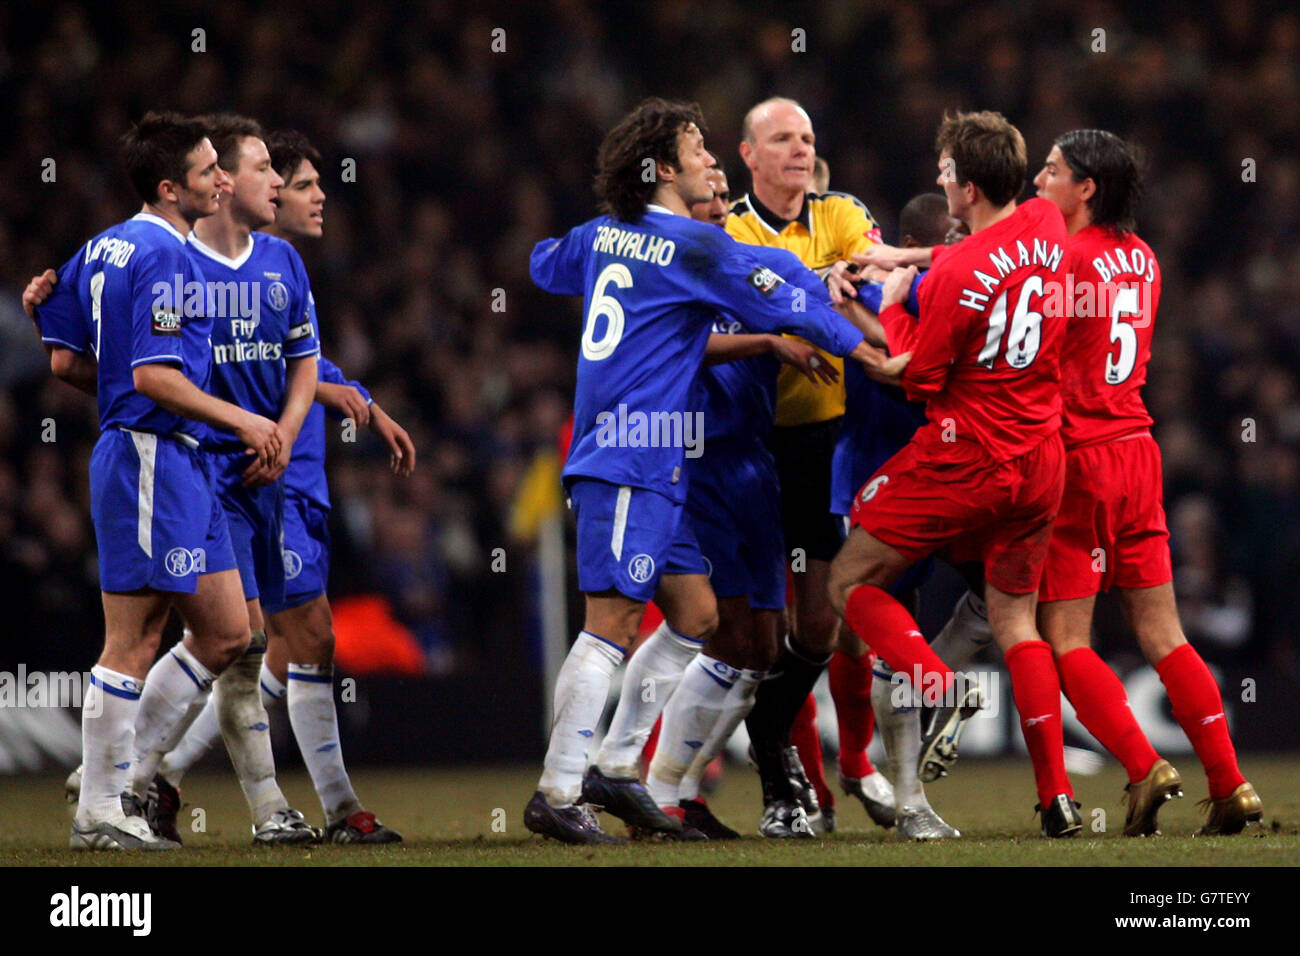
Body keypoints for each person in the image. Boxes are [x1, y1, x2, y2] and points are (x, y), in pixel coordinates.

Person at [525, 97, 906, 845]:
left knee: (698, 618)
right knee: (612, 626)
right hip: (632, 455)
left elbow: (546, 263)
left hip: (654, 457)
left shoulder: (607, 233)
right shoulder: (696, 249)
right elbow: (790, 301)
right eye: (699, 150)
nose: (710, 162)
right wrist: (868, 356)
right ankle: (558, 789)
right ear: (663, 168)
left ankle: (620, 769)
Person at [29, 112, 281, 850]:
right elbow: (148, 375)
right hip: (149, 457)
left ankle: (120, 775)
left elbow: (67, 361)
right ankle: (101, 810)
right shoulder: (167, 255)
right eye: (209, 172)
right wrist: (244, 420)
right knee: (133, 640)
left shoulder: (104, 245)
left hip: (179, 458)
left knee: (230, 631)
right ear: (171, 189)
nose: (224, 179)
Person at [827, 110, 1083, 838]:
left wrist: (886, 314)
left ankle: (938, 684)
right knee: (1015, 620)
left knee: (848, 582)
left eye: (946, 170)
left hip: (967, 456)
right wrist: (903, 261)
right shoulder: (1044, 222)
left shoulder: (959, 276)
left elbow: (917, 375)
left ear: (966, 190)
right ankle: (1058, 798)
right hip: (1041, 460)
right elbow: (991, 260)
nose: (940, 177)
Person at [153, 127, 412, 844]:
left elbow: (300, 356)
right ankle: (334, 808)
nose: (311, 194)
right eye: (296, 182)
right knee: (301, 637)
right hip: (252, 476)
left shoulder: (281, 266)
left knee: (269, 648)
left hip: (294, 474)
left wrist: (357, 397)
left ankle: (162, 775)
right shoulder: (188, 263)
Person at [1031, 129, 1262, 836]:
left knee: (1067, 637)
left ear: (1086, 188)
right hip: (1138, 450)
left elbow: (1032, 356)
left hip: (1079, 458)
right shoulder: (1142, 258)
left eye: (1052, 170)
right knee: (1164, 632)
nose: (1039, 179)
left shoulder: (1064, 261)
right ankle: (1230, 784)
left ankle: (1142, 766)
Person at [642, 167, 863, 839]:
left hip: (755, 464)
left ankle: (680, 790)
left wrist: (873, 347)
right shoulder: (668, 263)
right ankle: (649, 790)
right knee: (715, 632)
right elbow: (667, 343)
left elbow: (817, 309)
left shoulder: (757, 264)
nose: (716, 180)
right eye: (705, 171)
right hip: (694, 461)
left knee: (764, 649)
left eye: (718, 175)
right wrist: (768, 341)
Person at [726, 96, 894, 833]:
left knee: (821, 627)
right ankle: (786, 790)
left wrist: (847, 286)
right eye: (783, 138)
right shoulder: (726, 230)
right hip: (750, 443)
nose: (799, 149)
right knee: (760, 631)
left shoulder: (842, 214)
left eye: (808, 138)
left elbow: (872, 274)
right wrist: (803, 299)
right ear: (748, 153)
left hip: (825, 445)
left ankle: (776, 746)